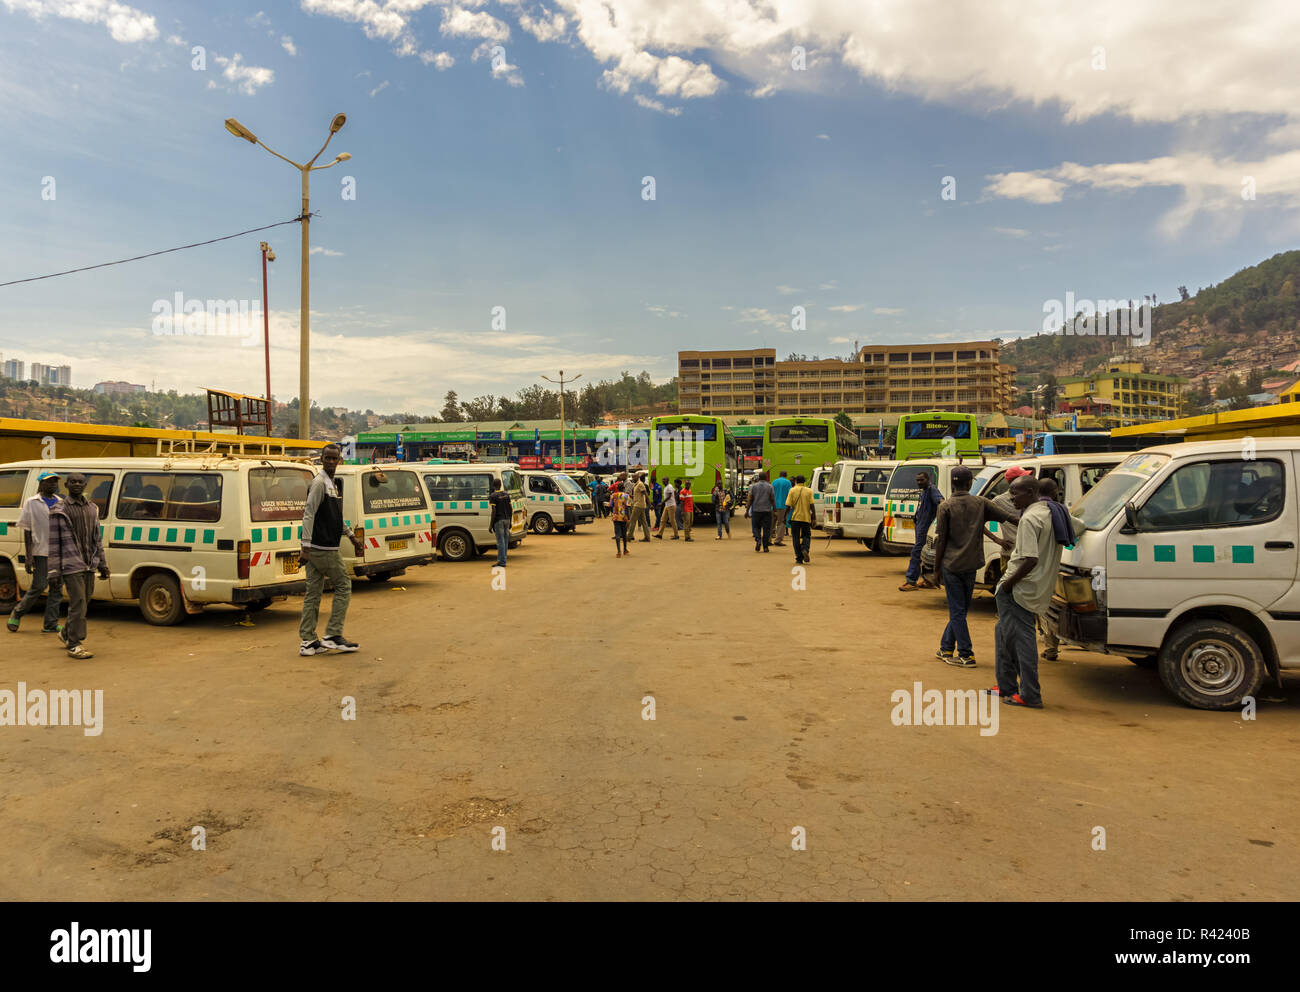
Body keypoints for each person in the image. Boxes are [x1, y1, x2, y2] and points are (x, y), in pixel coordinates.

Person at [988, 475, 1085, 708]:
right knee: (1003, 634)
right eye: (1010, 492)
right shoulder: (1054, 513)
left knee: (1022, 641)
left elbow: (1030, 558)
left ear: (1032, 492)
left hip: (1020, 588)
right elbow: (1080, 527)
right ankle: (1006, 685)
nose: (1011, 498)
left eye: (1015, 493)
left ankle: (1030, 693)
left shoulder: (1030, 519)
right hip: (1035, 586)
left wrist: (1009, 584)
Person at [930, 466, 1019, 668]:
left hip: (951, 565)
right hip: (972, 565)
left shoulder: (945, 507)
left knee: (958, 611)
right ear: (970, 483)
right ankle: (945, 648)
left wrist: (936, 570)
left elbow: (942, 540)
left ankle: (965, 654)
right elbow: (1011, 518)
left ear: (952, 483)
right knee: (960, 609)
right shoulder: (981, 503)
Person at [299, 443, 365, 656]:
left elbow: (335, 516)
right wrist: (305, 546)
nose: (330, 461)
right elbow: (308, 513)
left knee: (313, 594)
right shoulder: (319, 483)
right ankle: (333, 635)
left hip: (320, 547)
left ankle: (308, 642)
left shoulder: (332, 484)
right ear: (321, 459)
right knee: (344, 585)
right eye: (326, 458)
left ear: (339, 460)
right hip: (324, 547)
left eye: (333, 458)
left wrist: (351, 536)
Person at [46, 472, 110, 660]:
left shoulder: (92, 508)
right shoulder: (59, 509)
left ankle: (66, 633)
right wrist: (54, 571)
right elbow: (54, 543)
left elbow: (96, 538)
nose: (76, 484)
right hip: (70, 563)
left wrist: (103, 564)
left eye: (80, 482)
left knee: (84, 602)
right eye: (72, 482)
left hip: (89, 564)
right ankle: (74, 644)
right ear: (66, 485)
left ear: (85, 485)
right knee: (78, 603)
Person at [7, 470, 64, 634]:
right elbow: (27, 529)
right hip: (40, 551)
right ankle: (18, 612)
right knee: (39, 585)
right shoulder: (32, 502)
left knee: (57, 588)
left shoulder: (61, 502)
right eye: (49, 481)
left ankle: (50, 624)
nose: (53, 484)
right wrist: (29, 555)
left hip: (58, 552)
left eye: (55, 482)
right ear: (41, 484)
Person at [1036, 477, 1067, 661]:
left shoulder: (1032, 513)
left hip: (1035, 570)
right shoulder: (1060, 512)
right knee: (1048, 610)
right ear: (1055, 491)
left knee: (1042, 611)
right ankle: (1051, 647)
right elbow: (1078, 527)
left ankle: (1050, 647)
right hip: (1054, 567)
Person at [899, 471, 943, 591]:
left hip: (926, 530)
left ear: (927, 479)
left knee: (916, 553)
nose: (919, 482)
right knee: (925, 556)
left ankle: (911, 581)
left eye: (921, 480)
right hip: (921, 528)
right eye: (917, 480)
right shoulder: (924, 492)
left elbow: (941, 502)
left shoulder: (932, 490)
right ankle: (929, 581)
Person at [786, 474, 815, 564]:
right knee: (806, 535)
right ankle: (805, 548)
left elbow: (788, 505)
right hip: (806, 518)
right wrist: (814, 518)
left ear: (796, 481)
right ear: (804, 481)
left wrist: (784, 517)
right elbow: (812, 505)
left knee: (796, 538)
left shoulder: (792, 490)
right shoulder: (809, 491)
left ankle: (799, 557)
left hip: (795, 518)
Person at [747, 471, 775, 552]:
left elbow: (750, 499)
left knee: (756, 527)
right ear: (766, 478)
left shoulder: (754, 487)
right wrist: (775, 509)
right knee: (766, 529)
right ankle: (765, 547)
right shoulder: (770, 487)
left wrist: (747, 510)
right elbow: (772, 499)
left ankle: (758, 539)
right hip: (767, 511)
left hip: (756, 510)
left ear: (759, 478)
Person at [489, 477, 513, 567]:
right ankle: (504, 560)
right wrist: (510, 521)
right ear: (501, 485)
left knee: (500, 542)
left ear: (493, 486)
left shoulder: (493, 496)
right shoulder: (506, 495)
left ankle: (501, 562)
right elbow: (511, 509)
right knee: (505, 541)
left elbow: (493, 511)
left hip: (499, 521)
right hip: (507, 520)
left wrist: (491, 525)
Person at [610, 479, 632, 557]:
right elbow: (628, 507)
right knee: (624, 534)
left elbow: (611, 505)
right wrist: (628, 518)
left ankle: (618, 552)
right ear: (624, 488)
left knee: (617, 534)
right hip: (624, 517)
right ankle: (625, 550)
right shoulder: (626, 496)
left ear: (617, 488)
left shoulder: (613, 495)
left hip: (616, 516)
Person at [771, 470, 792, 546]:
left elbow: (771, 493)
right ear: (786, 475)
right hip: (783, 506)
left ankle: (768, 539)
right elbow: (790, 494)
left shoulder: (774, 482)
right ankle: (778, 540)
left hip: (773, 506)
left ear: (779, 475)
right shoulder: (788, 482)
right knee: (781, 523)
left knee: (772, 522)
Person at [629, 472, 652, 541]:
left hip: (638, 505)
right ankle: (647, 537)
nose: (633, 478)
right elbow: (639, 495)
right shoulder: (636, 485)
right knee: (644, 522)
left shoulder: (640, 484)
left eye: (634, 477)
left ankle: (629, 536)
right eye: (632, 477)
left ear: (637, 477)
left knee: (632, 521)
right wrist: (631, 496)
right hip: (639, 504)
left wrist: (650, 504)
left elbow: (646, 494)